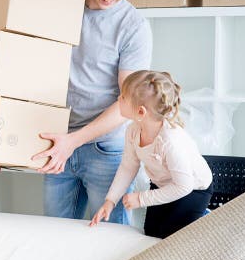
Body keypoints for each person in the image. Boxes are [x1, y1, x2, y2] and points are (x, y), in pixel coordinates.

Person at [33, 0, 152, 225]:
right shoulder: (59, 9)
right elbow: (29, 71)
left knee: (110, 241)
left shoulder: (133, 26)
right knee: (54, 234)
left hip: (106, 149)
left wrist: (73, 142)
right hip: (58, 142)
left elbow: (129, 102)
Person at [90, 71, 213, 238]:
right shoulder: (133, 130)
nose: (118, 99)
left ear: (141, 112)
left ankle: (205, 216)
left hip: (193, 189)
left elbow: (183, 186)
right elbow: (128, 167)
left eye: (123, 97)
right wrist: (110, 200)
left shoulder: (171, 142)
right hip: (164, 184)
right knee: (152, 234)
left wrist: (141, 199)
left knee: (171, 238)